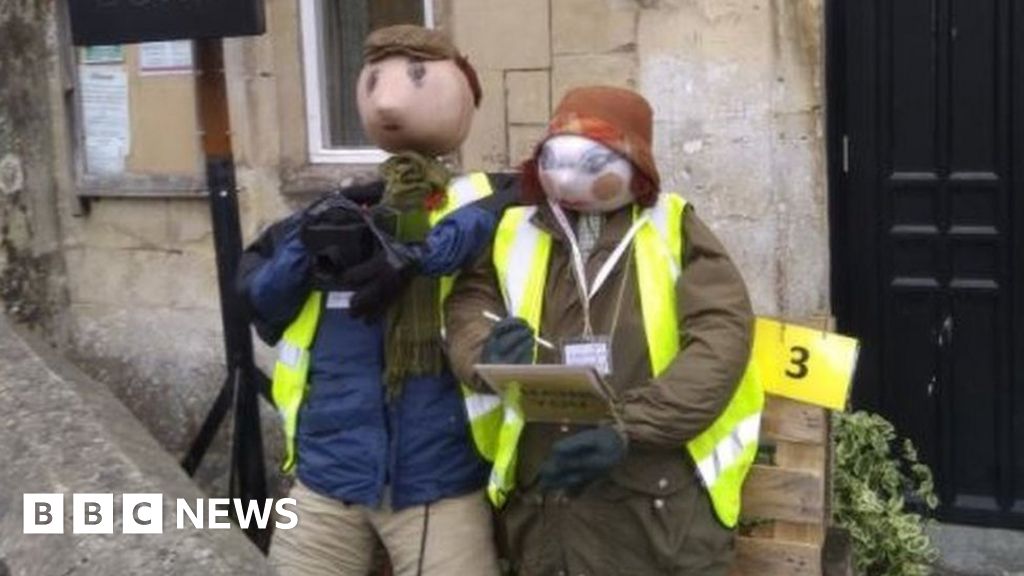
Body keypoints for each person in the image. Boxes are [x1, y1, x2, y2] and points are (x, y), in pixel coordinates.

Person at [444, 86, 764, 575]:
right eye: (556, 159)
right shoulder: (514, 230)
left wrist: (628, 428)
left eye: (593, 162)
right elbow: (470, 302)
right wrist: (482, 351)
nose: (569, 179)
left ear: (636, 169)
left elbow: (720, 339)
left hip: (654, 513)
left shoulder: (674, 229)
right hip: (547, 508)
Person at [237, 25, 510, 576]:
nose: (389, 99)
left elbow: (525, 194)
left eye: (416, 76)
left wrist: (428, 250)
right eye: (375, 80)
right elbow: (261, 304)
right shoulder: (341, 208)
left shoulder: (492, 203)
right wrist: (308, 242)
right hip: (328, 477)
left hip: (438, 481)